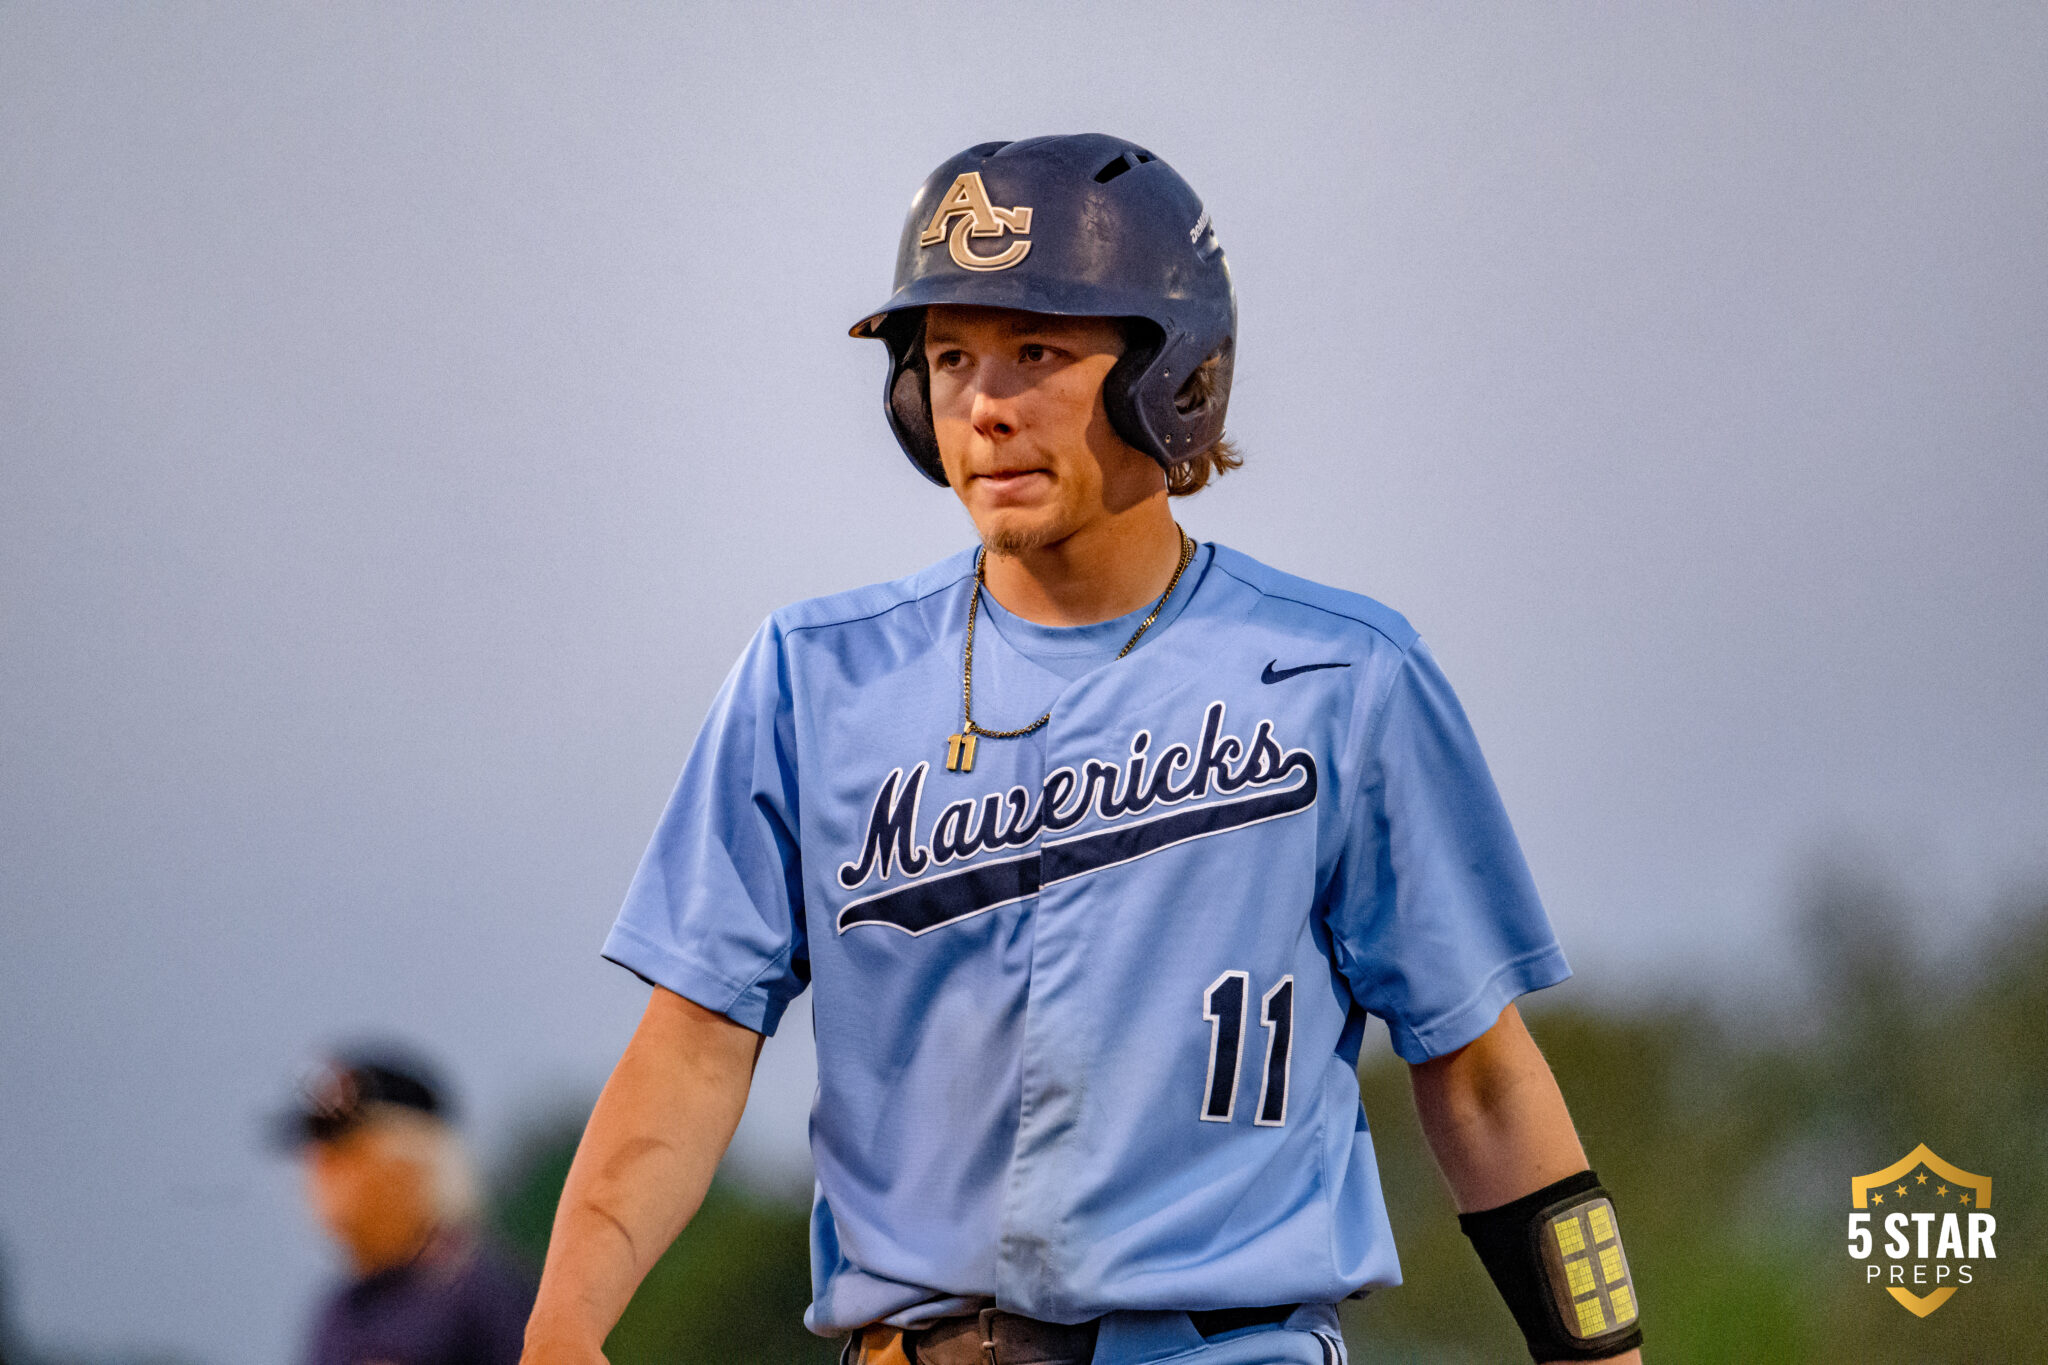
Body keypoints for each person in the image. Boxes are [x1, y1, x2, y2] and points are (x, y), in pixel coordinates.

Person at [522, 135, 1643, 1365]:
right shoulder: (813, 679)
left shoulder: (1342, 677)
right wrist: (563, 1326)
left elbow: (1478, 1078)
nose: (984, 404)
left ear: (1172, 377)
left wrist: (1602, 1355)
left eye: (1036, 352)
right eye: (949, 358)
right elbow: (691, 1047)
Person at [282, 1049, 534, 1365]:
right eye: (318, 1155)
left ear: (415, 1159)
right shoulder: (340, 1315)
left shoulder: (487, 1298)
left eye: (347, 1150)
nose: (322, 1172)